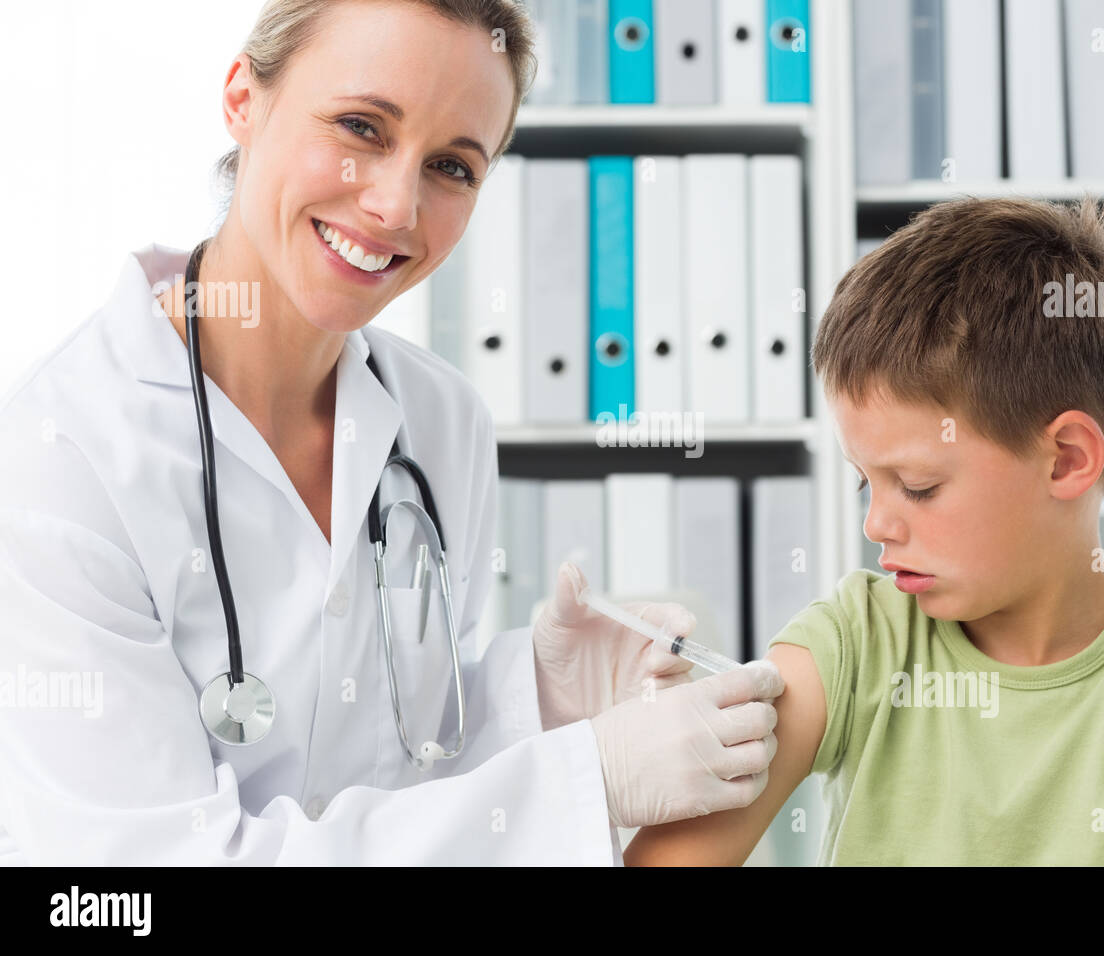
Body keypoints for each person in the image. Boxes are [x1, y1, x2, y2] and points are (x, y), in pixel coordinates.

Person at [0, 0, 782, 865]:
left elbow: (405, 789)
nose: (395, 205)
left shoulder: (441, 425)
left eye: (452, 165)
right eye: (362, 127)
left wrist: (535, 701)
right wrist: (586, 782)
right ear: (241, 98)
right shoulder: (59, 456)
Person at [624, 196, 1104, 866]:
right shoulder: (857, 640)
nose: (877, 523)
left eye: (918, 487)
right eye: (865, 481)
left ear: (1066, 460)